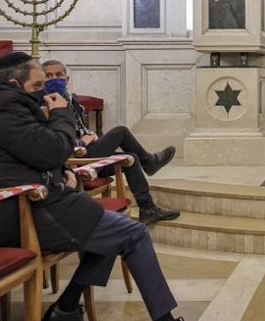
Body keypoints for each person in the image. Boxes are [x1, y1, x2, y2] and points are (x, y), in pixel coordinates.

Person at [0, 52, 213, 321]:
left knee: (110, 236)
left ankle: (66, 309)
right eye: (38, 84)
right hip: (18, 213)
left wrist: (60, 172)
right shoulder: (2, 106)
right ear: (15, 83)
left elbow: (21, 154)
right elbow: (53, 149)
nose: (45, 91)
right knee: (133, 234)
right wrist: (61, 115)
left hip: (27, 204)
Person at [41, 59, 180, 224]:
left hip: (86, 156)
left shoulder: (70, 101)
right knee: (120, 132)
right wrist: (83, 142)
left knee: (131, 158)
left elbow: (79, 130)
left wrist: (90, 135)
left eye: (59, 75)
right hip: (73, 164)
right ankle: (149, 163)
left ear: (67, 79)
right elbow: (57, 145)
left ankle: (147, 208)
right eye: (48, 76)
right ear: (41, 81)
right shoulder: (44, 107)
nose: (54, 79)